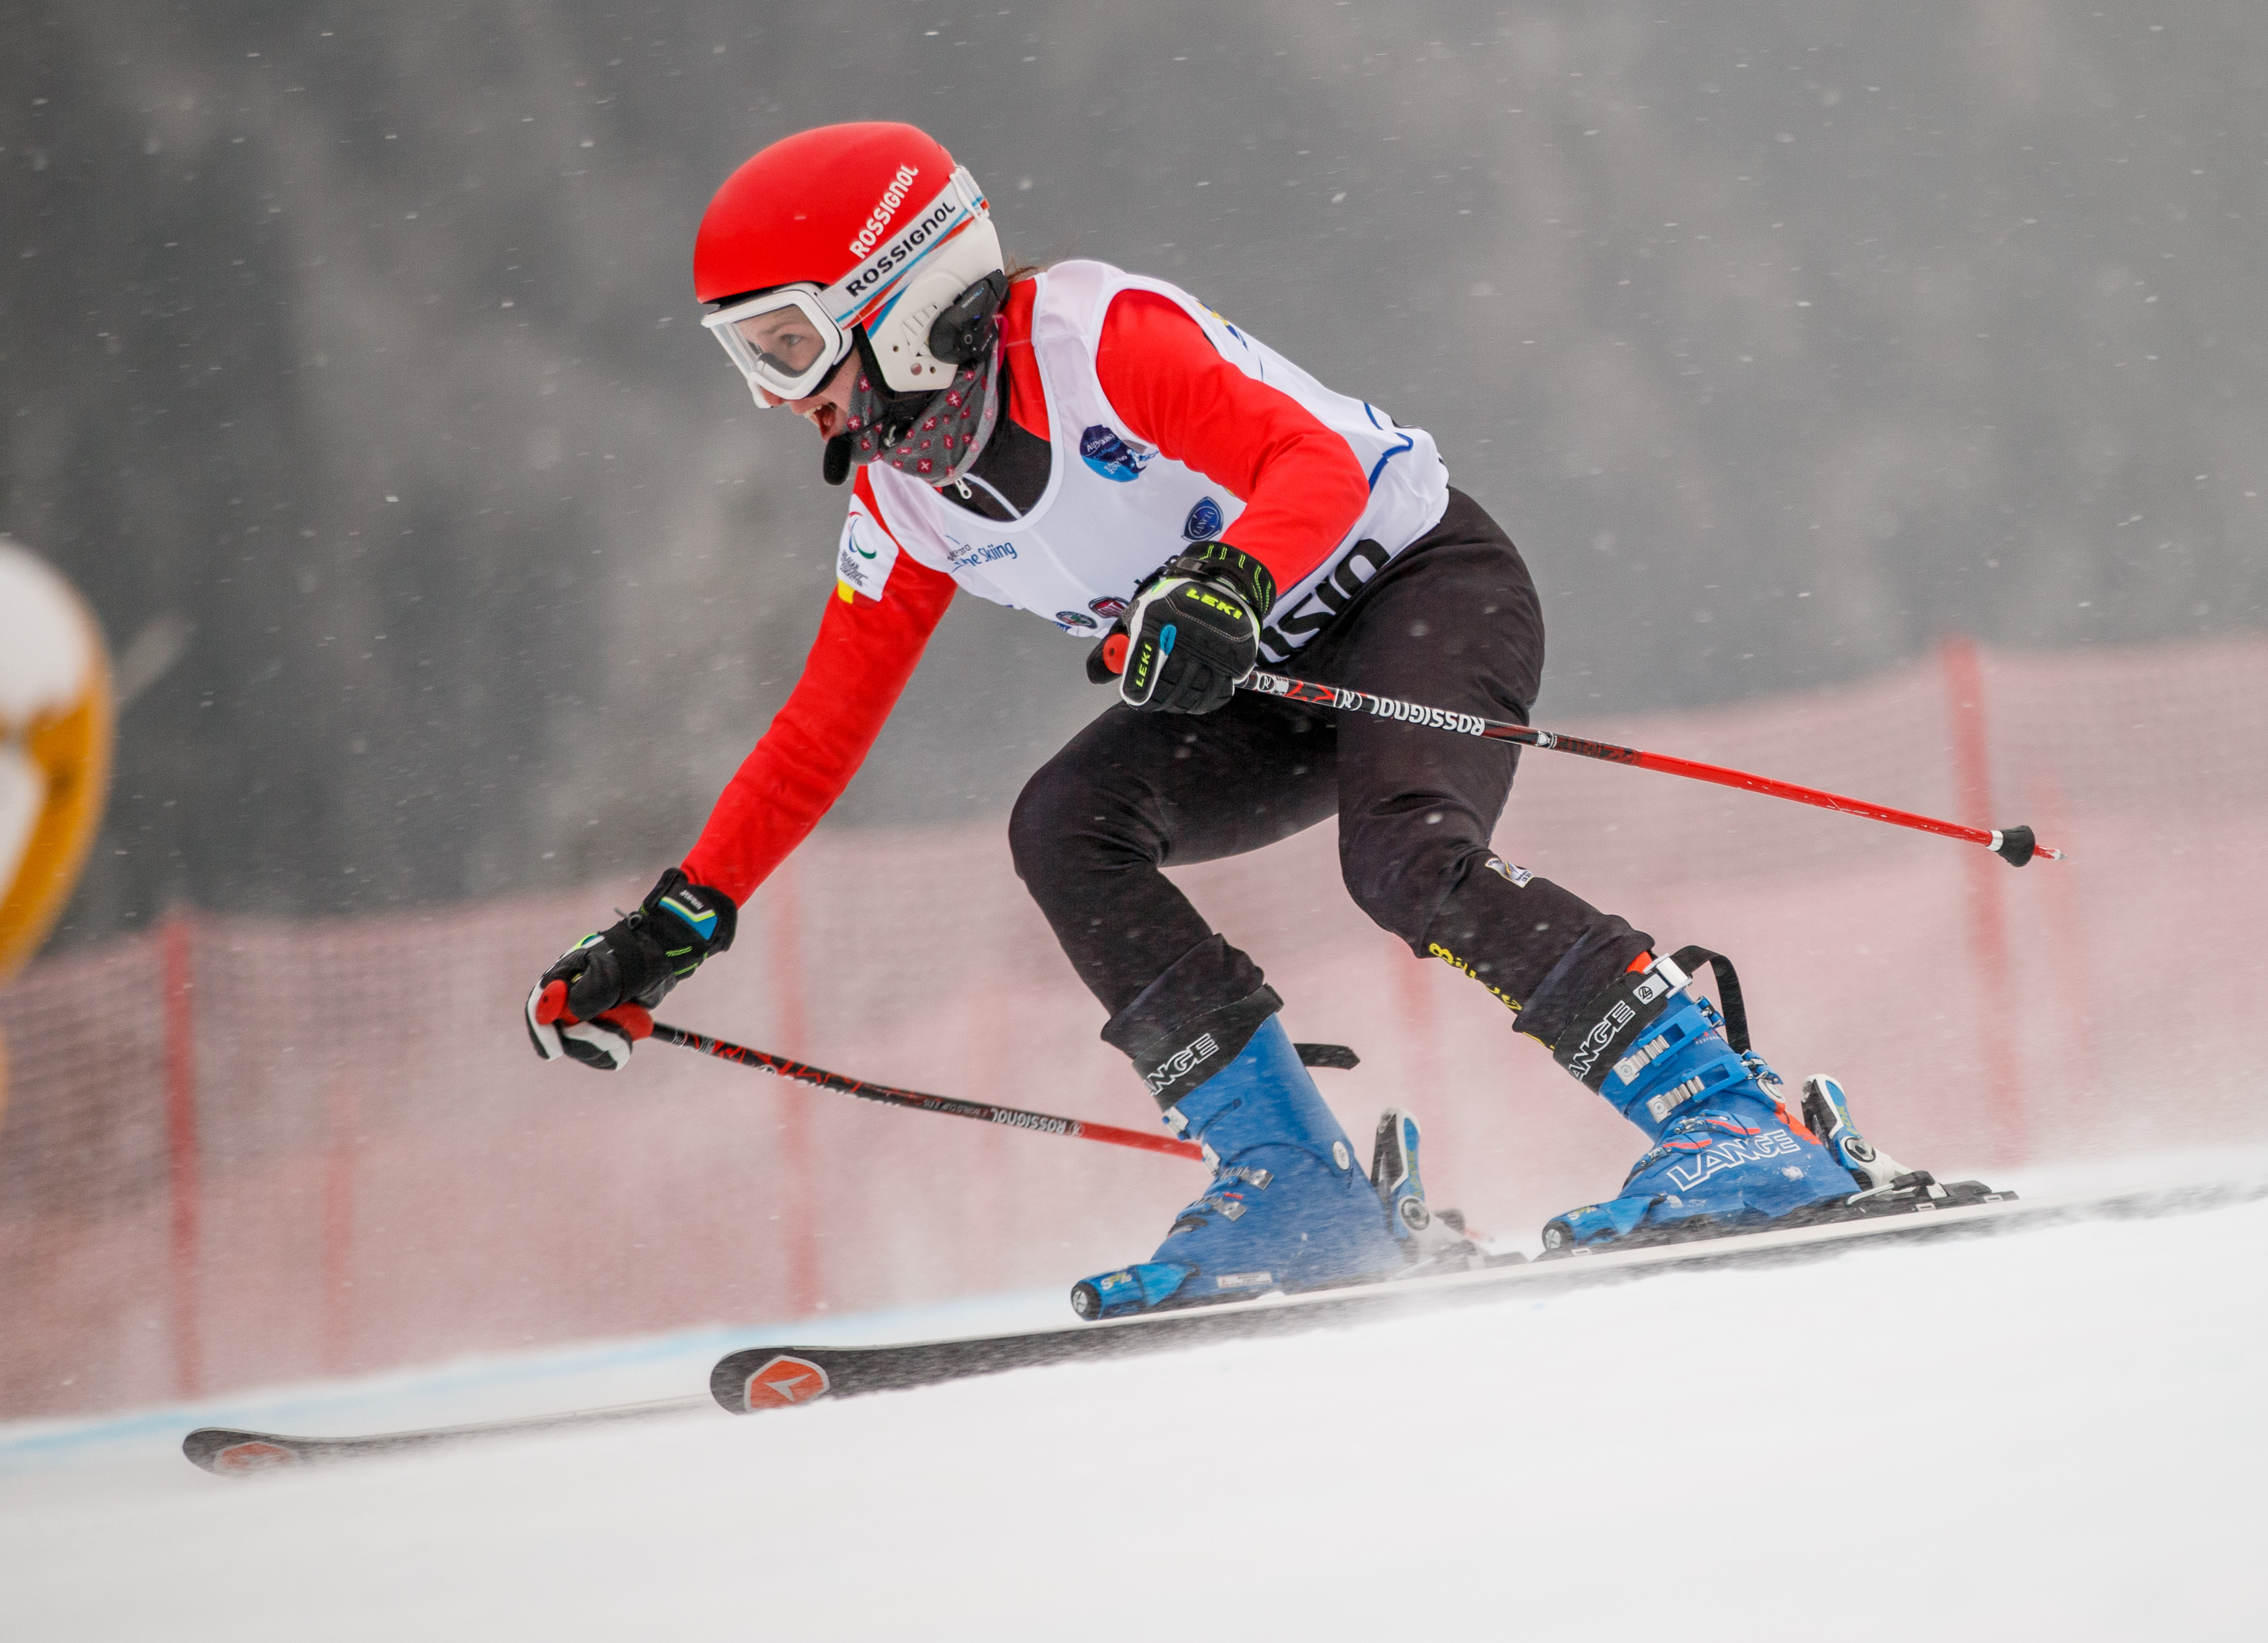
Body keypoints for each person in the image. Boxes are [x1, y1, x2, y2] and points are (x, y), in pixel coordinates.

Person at [524, 122, 1859, 1314]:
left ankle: (1737, 1128)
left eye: (791, 347)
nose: (783, 398)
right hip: (1256, 676)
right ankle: (1296, 1190)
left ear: (907, 299)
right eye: (750, 360)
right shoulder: (900, 501)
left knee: (1401, 858)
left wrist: (1229, 578)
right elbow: (822, 726)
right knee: (1064, 825)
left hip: (1413, 585)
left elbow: (1314, 465)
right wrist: (677, 920)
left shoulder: (1095, 340)